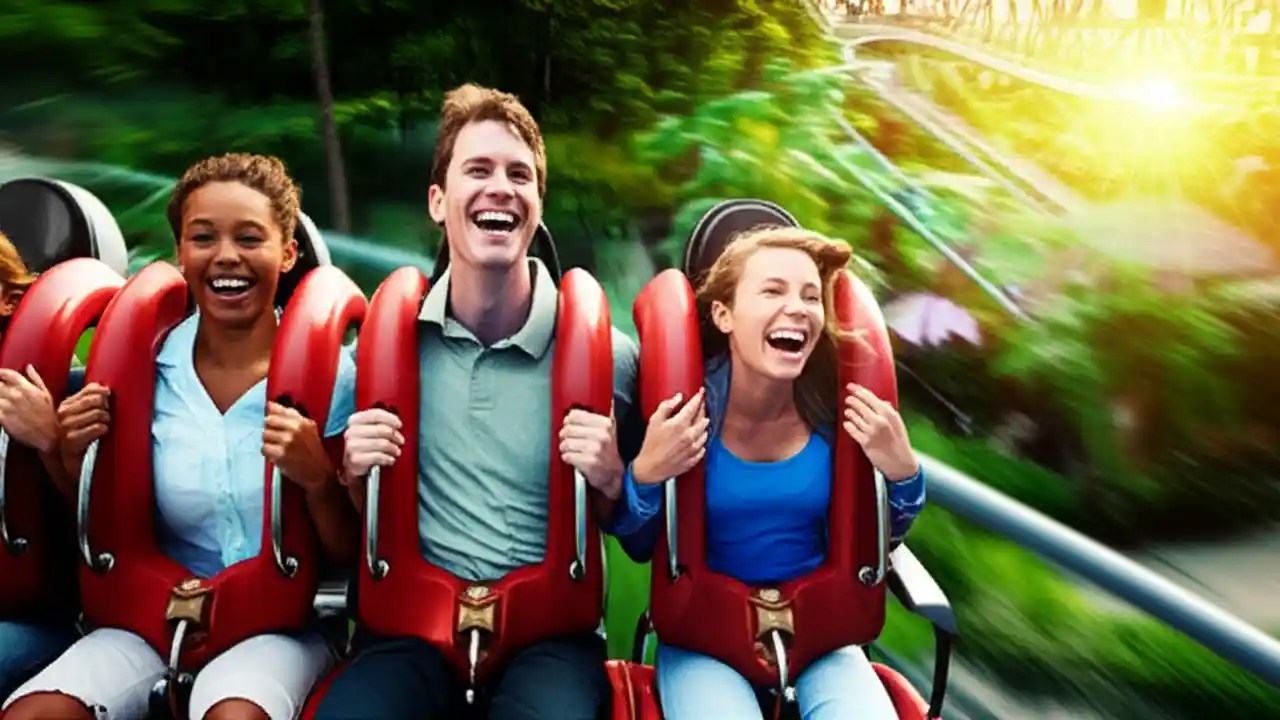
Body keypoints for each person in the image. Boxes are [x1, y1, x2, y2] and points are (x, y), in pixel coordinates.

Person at [312, 83, 640, 720]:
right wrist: (350, 474)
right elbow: (348, 525)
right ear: (439, 202)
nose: (500, 187)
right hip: (408, 630)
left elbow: (641, 526)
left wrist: (613, 477)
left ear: (536, 205)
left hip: (550, 639)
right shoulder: (379, 356)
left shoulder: (609, 358)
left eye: (520, 175)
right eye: (478, 170)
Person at [2, 153, 359, 720]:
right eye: (203, 238)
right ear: (180, 253)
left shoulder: (332, 376)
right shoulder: (139, 371)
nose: (226, 257)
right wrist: (61, 454)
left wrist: (317, 478)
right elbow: (108, 532)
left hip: (278, 622)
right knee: (36, 713)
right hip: (150, 615)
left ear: (287, 253)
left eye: (249, 238)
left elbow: (347, 556)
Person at [611, 226, 928, 720]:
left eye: (809, 296)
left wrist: (904, 474)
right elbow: (637, 542)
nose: (798, 308)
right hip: (706, 637)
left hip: (822, 635)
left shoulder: (836, 413)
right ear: (724, 314)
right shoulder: (685, 412)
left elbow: (881, 540)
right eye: (773, 291)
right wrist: (647, 475)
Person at [0, 230, 80, 699]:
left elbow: (112, 534)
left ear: (8, 299)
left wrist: (50, 441)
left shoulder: (66, 390)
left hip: (44, 616)